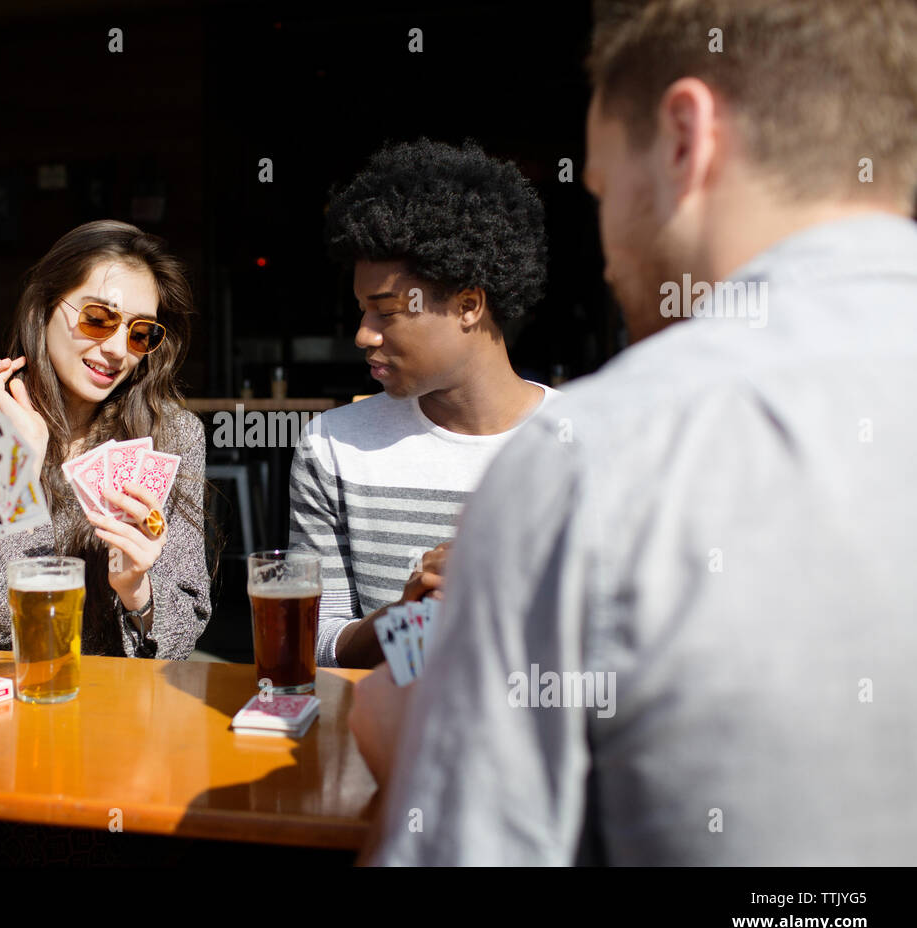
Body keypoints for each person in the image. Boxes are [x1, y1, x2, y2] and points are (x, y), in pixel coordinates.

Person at [358, 0, 917, 865]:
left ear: (685, 137)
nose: (611, 257)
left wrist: (411, 758)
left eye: (606, 191)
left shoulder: (591, 463)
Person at [288, 140, 560, 669]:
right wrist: (405, 618)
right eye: (362, 311)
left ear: (469, 304)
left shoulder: (589, 446)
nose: (364, 335)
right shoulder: (333, 447)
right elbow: (315, 646)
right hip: (383, 743)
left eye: (385, 313)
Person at [0, 220, 211, 658]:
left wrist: (138, 590)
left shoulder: (170, 435)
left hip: (119, 707)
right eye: (98, 318)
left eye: (140, 333)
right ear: (43, 305)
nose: (118, 349)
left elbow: (184, 632)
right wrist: (19, 471)